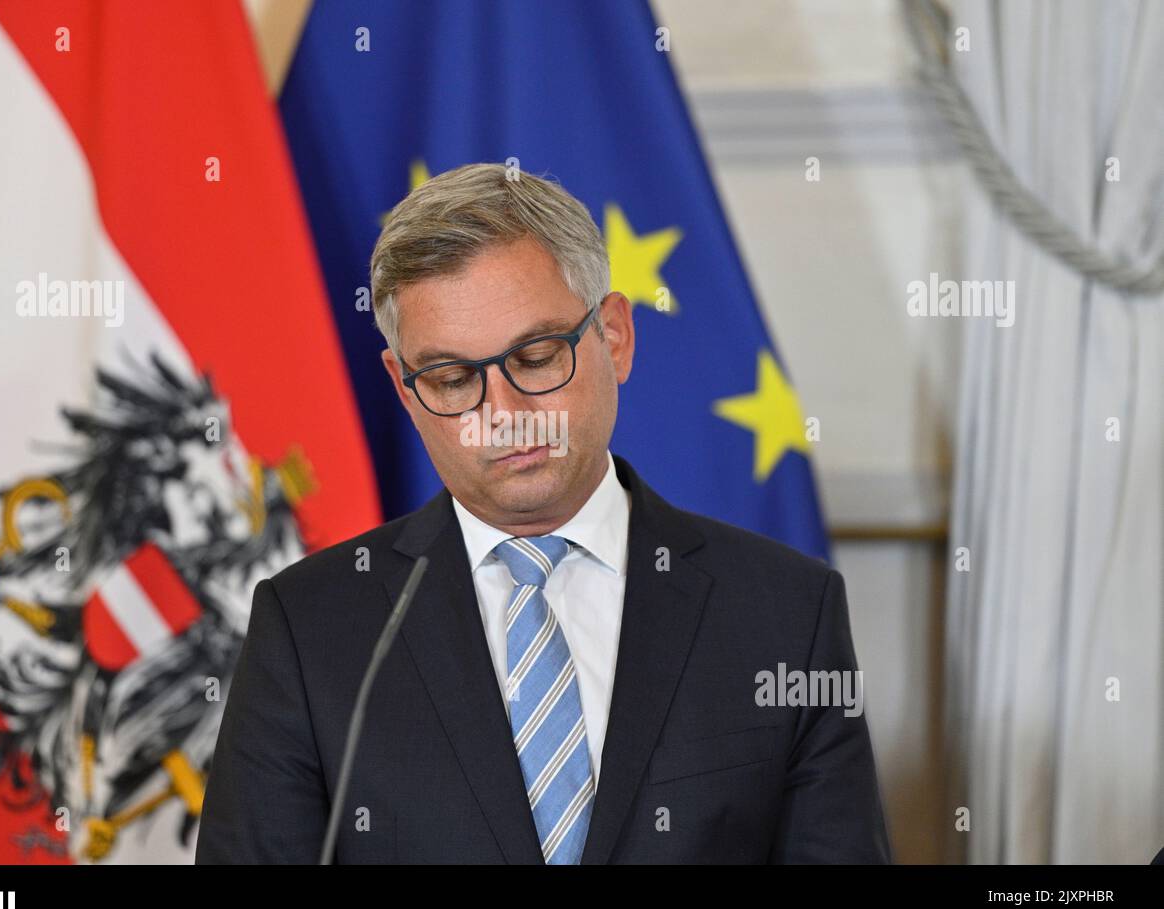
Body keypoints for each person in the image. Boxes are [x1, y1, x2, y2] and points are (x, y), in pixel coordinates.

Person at [196, 163, 891, 864]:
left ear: (614, 336)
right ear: (403, 390)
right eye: (451, 379)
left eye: (533, 358)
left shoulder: (786, 615)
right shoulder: (313, 629)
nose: (501, 415)